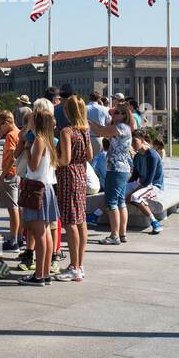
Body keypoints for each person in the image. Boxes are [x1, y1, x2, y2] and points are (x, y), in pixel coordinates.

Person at [18, 99, 59, 285]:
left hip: (37, 187)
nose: (29, 121)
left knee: (39, 232)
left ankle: (40, 275)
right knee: (46, 233)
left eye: (32, 118)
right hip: (47, 187)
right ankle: (44, 273)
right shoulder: (48, 139)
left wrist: (27, 149)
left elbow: (33, 165)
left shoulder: (39, 140)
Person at [53, 95, 91, 281]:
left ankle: (74, 267)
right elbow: (89, 155)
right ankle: (79, 264)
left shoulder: (67, 132)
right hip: (81, 175)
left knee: (70, 222)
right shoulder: (85, 130)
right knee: (80, 220)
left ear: (68, 111)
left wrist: (53, 161)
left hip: (68, 177)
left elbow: (65, 159)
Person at [89, 102, 133, 245]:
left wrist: (88, 120)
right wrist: (91, 121)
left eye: (117, 113)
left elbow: (101, 131)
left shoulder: (120, 127)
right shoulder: (124, 128)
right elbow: (102, 129)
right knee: (120, 201)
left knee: (111, 202)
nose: (113, 114)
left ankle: (114, 235)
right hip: (122, 169)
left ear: (124, 116)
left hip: (116, 168)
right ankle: (122, 233)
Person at [126, 134, 165, 233]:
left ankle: (155, 222)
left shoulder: (152, 155)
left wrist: (130, 194)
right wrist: (126, 187)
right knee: (117, 190)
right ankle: (95, 215)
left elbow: (148, 181)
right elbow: (135, 177)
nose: (133, 144)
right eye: (131, 142)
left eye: (135, 141)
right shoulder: (137, 156)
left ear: (142, 141)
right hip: (142, 184)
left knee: (134, 197)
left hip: (154, 186)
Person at [0, 110, 22, 251]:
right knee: (17, 208)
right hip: (17, 173)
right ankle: (19, 237)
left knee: (13, 209)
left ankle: (14, 241)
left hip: (10, 175)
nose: (0, 129)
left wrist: (3, 174)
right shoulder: (19, 133)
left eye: (0, 126)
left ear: (7, 123)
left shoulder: (11, 136)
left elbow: (12, 157)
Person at [85, 91, 110, 156]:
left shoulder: (84, 108)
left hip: (86, 138)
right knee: (98, 161)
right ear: (99, 99)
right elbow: (109, 122)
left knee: (88, 162)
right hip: (99, 138)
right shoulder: (104, 109)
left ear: (89, 98)